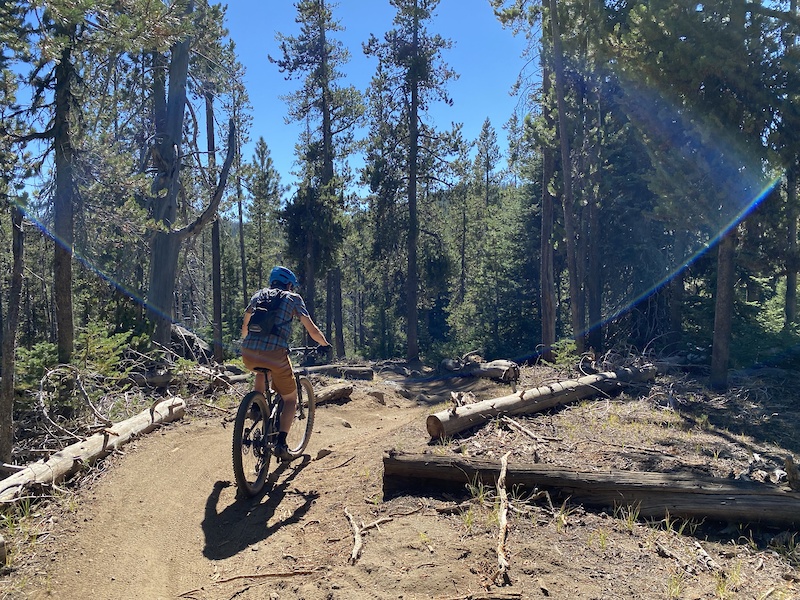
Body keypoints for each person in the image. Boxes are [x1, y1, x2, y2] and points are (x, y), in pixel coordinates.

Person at [240, 266, 329, 461]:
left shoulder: (259, 296)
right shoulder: (293, 298)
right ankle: (281, 443)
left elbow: (245, 323)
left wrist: (248, 342)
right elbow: (311, 329)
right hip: (275, 353)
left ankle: (256, 406)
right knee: (290, 399)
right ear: (289, 284)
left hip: (248, 353)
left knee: (261, 371)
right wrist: (324, 343)